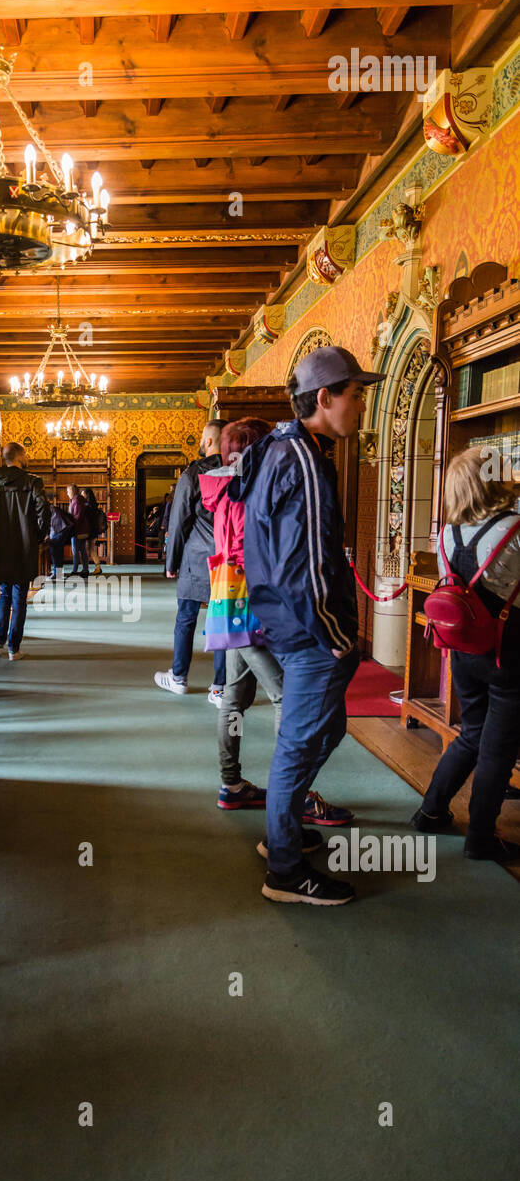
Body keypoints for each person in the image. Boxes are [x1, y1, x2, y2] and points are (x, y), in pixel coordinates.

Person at [231, 346, 385, 905]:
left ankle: (284, 834)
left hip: (287, 623)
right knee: (298, 747)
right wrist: (338, 637)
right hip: (310, 631)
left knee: (325, 731)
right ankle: (287, 872)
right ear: (325, 398)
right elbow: (311, 566)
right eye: (357, 394)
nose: (362, 405)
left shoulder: (282, 447)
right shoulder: (303, 460)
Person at [200, 417, 353, 832]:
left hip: (226, 597)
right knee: (290, 697)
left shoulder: (220, 486)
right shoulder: (252, 486)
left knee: (234, 699)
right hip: (254, 600)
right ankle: (296, 798)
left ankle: (231, 784)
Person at [411, 446, 520, 861]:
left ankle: (431, 810)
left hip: (462, 652)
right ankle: (481, 837)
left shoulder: (446, 533)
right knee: (498, 746)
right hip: (505, 651)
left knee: (472, 732)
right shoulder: (514, 528)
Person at [154, 419, 228, 706]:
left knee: (186, 618)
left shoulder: (193, 474)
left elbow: (180, 521)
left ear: (209, 441)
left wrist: (170, 562)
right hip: (228, 559)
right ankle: (220, 687)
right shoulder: (241, 471)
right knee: (222, 622)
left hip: (196, 559)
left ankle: (179, 678)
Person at [0, 441, 50, 660]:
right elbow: (43, 511)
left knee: (4, 594)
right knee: (18, 597)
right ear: (20, 456)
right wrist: (37, 536)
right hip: (22, 547)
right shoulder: (32, 482)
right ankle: (13, 648)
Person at [66, 483, 90, 579]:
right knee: (82, 550)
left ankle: (75, 571)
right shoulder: (79, 499)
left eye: (68, 491)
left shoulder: (76, 500)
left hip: (77, 530)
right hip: (83, 529)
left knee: (75, 550)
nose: (67, 494)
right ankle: (85, 569)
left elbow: (77, 516)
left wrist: (71, 526)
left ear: (72, 491)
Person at [47, 500, 74, 581]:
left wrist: (46, 535)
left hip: (59, 530)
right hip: (64, 529)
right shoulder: (52, 507)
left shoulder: (46, 509)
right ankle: (58, 574)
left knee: (54, 552)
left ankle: (57, 574)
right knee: (58, 552)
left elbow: (46, 523)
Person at [83, 486, 105, 576]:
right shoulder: (94, 504)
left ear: (86, 494)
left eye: (82, 494)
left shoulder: (87, 505)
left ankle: (86, 568)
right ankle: (97, 567)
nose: (82, 495)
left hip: (89, 530)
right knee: (91, 549)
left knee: (85, 549)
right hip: (94, 530)